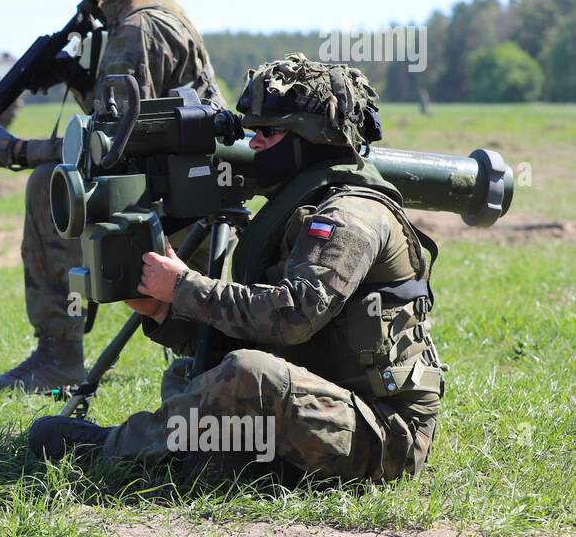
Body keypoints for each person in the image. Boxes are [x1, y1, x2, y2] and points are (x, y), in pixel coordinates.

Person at [28, 56, 445, 485]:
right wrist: (164, 311)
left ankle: (114, 450)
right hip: (333, 399)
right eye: (253, 131)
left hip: (386, 437)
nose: (254, 144)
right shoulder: (304, 206)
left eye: (269, 132)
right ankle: (209, 461)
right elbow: (265, 334)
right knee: (195, 372)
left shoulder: (350, 215)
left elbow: (293, 317)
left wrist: (183, 286)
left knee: (248, 375)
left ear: (314, 139)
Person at [0, 0, 224, 393]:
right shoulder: (140, 13)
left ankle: (57, 359)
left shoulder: (136, 27)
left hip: (183, 206)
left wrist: (16, 151)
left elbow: (109, 147)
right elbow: (132, 123)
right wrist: (76, 77)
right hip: (188, 190)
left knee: (49, 186)